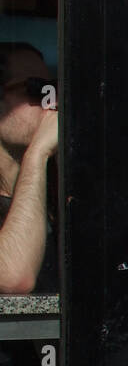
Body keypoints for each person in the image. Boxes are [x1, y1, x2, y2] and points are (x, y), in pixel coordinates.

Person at [0, 42, 57, 295]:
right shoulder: (39, 157)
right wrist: (37, 152)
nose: (50, 101)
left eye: (53, 89)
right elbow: (13, 277)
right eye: (36, 88)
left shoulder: (56, 198)